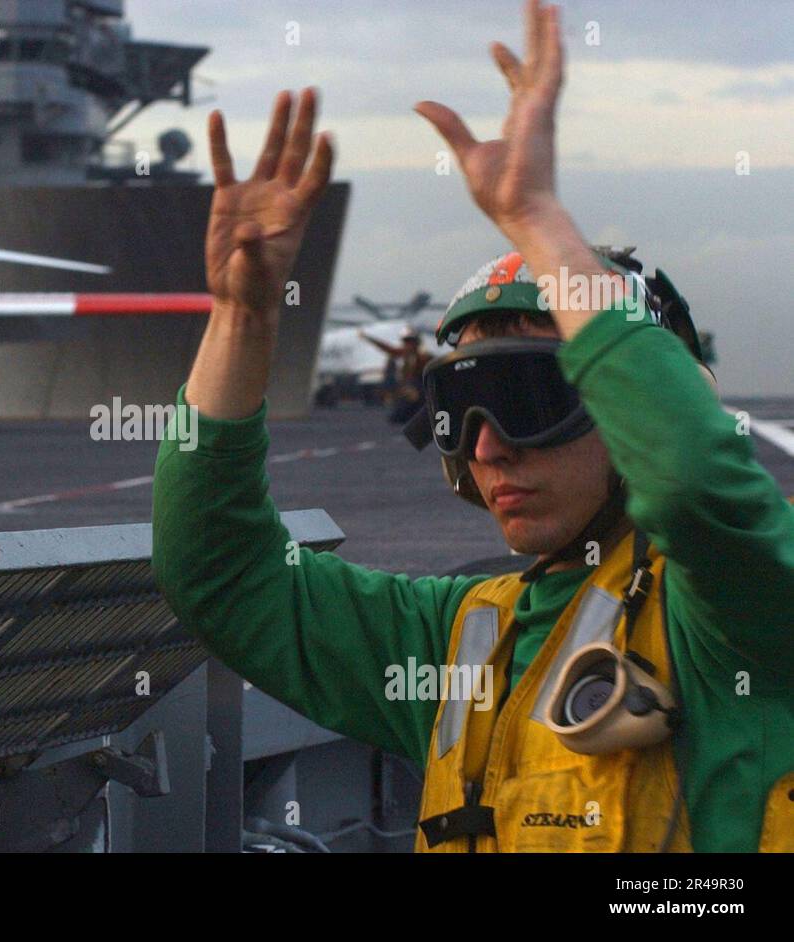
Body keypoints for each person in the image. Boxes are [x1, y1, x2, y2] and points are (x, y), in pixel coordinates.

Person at [151, 0, 793, 852]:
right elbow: (220, 571)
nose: (488, 446)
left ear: (626, 410)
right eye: (458, 411)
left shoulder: (732, 619)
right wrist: (243, 317)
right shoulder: (455, 645)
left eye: (527, 403)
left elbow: (693, 483)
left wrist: (536, 220)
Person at [360, 327, 431, 423]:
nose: (408, 345)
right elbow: (386, 347)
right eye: (406, 342)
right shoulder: (401, 354)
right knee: (397, 417)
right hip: (405, 388)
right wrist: (368, 338)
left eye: (411, 342)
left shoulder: (424, 358)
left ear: (416, 343)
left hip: (419, 389)